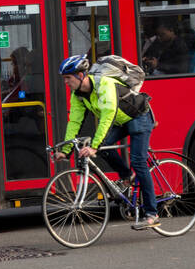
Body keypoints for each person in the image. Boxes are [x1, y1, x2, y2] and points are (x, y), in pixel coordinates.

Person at [54, 54, 159, 229]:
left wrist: (94, 146)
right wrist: (65, 150)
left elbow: (107, 115)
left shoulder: (104, 83)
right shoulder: (78, 95)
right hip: (123, 121)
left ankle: (152, 213)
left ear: (81, 76)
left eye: (68, 78)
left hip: (139, 117)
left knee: (138, 161)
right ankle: (127, 176)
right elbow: (74, 122)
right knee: (104, 148)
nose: (65, 82)